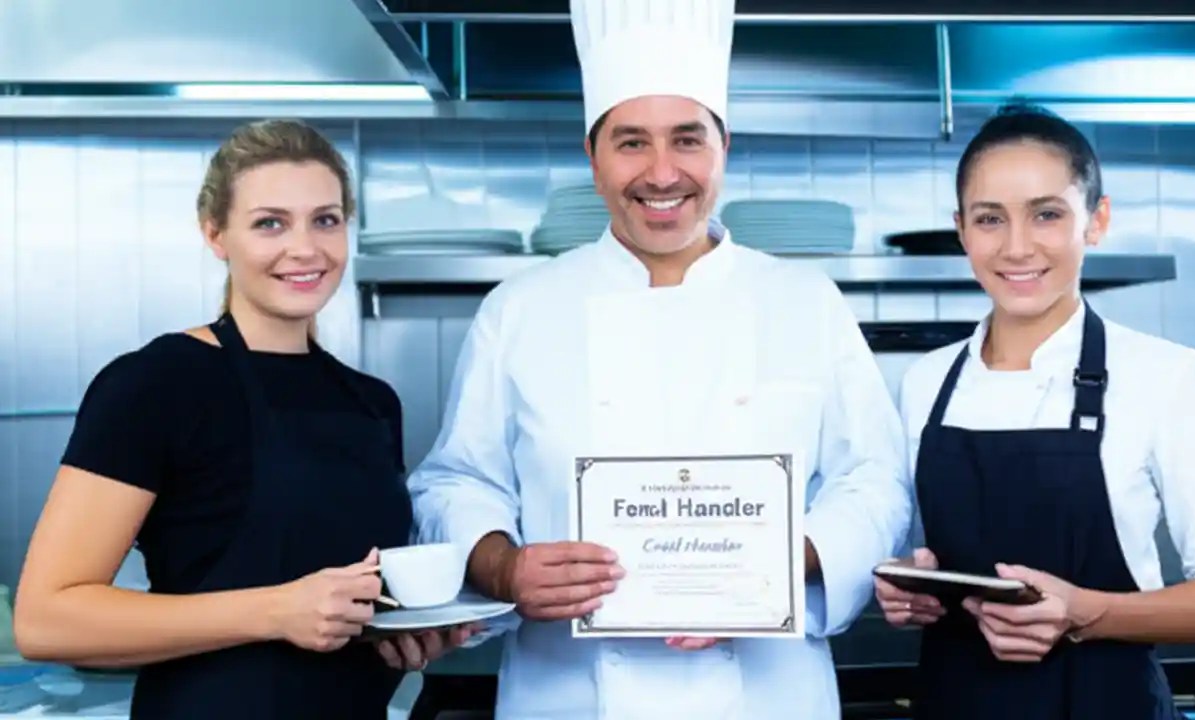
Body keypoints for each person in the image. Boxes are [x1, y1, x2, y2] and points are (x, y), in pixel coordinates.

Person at [406, 1, 913, 718]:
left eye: (687, 139)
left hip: (768, 695)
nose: (662, 172)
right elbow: (455, 480)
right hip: (570, 693)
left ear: (723, 146)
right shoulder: (520, 309)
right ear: (593, 155)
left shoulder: (805, 300)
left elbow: (875, 483)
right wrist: (504, 565)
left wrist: (777, 562)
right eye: (631, 142)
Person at [14, 119, 473, 719]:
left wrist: (398, 631)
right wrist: (277, 611)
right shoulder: (156, 383)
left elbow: (338, 593)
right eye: (270, 223)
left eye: (326, 220)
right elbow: (47, 619)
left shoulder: (371, 402)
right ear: (216, 235)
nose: (305, 248)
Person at [875, 102, 1195, 719]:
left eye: (1046, 214)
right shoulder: (927, 382)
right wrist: (908, 585)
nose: (1017, 247)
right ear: (961, 230)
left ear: (1096, 221)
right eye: (990, 219)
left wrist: (1087, 612)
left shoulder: (1166, 376)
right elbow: (911, 552)